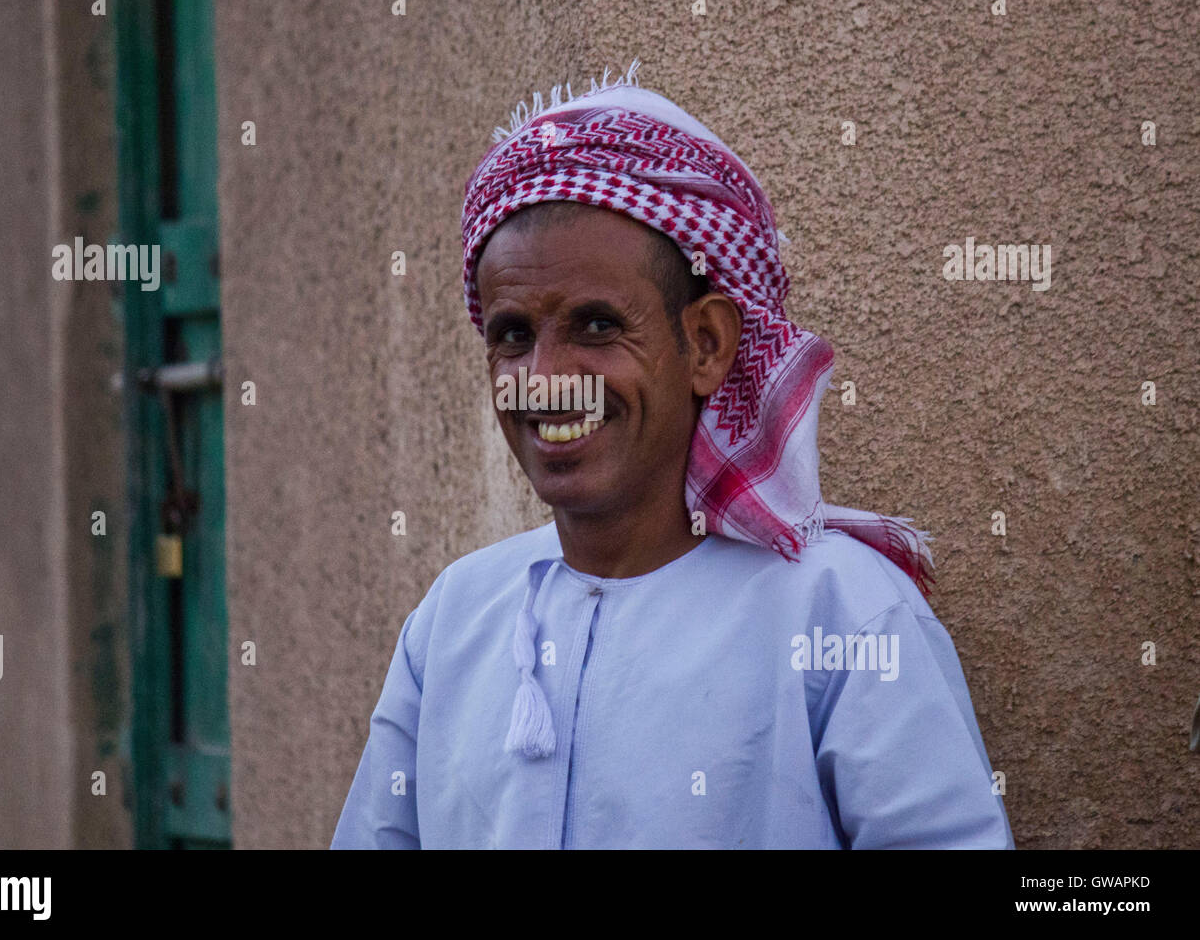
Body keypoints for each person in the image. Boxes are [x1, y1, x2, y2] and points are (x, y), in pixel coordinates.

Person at [330, 62, 1014, 849]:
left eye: (596, 326)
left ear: (707, 345)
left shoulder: (842, 613)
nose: (543, 379)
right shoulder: (453, 620)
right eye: (512, 336)